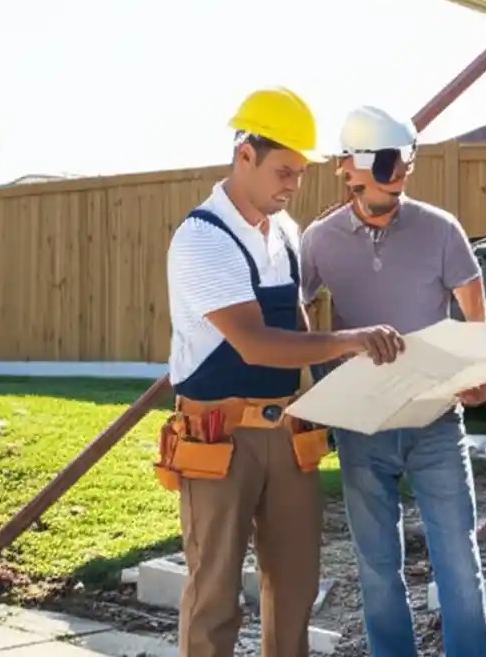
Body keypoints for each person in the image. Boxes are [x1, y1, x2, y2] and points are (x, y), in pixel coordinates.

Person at [159, 86, 405, 657]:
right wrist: (351, 342)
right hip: (220, 439)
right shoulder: (203, 238)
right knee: (215, 591)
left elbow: (297, 331)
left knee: (295, 586)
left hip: (288, 432)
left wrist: (347, 394)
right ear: (244, 153)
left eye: (299, 172)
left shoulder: (287, 234)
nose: (293, 184)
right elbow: (255, 344)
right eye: (283, 171)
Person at [300, 104, 486, 657]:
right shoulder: (319, 241)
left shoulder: (441, 230)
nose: (400, 174)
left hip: (435, 422)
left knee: (458, 558)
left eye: (405, 163)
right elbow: (292, 306)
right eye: (388, 164)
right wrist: (323, 380)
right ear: (349, 168)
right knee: (377, 567)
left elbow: (478, 319)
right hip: (364, 425)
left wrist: (480, 375)